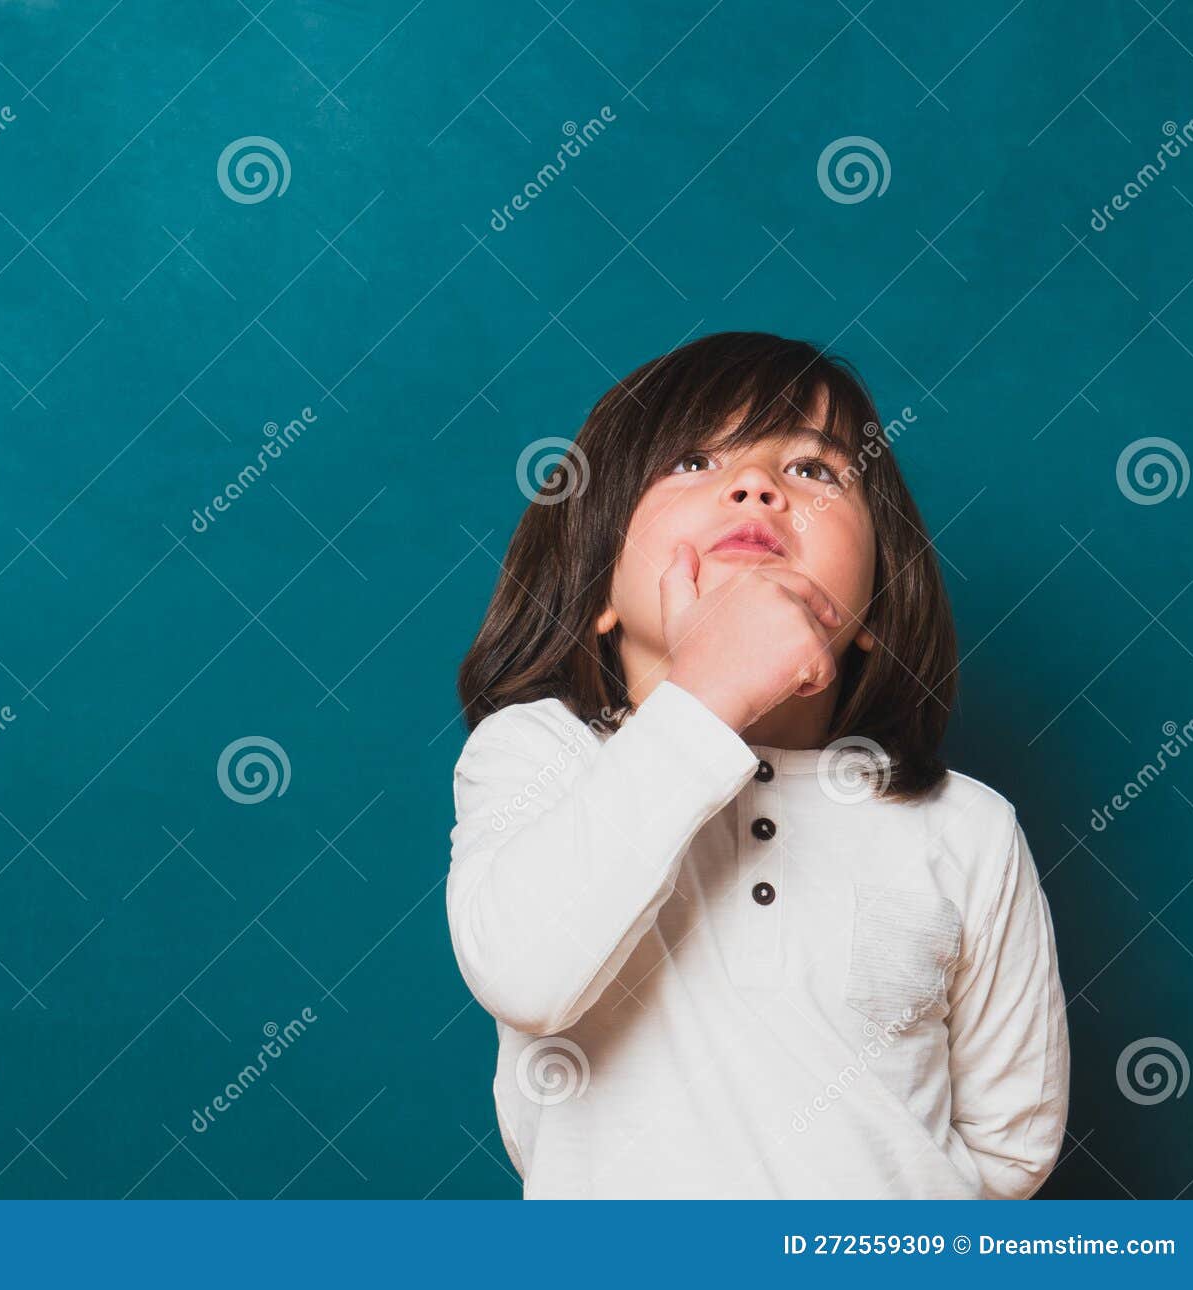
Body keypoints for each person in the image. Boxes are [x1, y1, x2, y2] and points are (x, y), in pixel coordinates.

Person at [447, 331, 1070, 1199]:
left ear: (871, 614)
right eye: (694, 460)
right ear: (595, 593)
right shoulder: (540, 755)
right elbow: (526, 972)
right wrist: (706, 694)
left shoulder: (966, 829)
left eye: (814, 470)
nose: (755, 487)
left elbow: (1009, 1147)